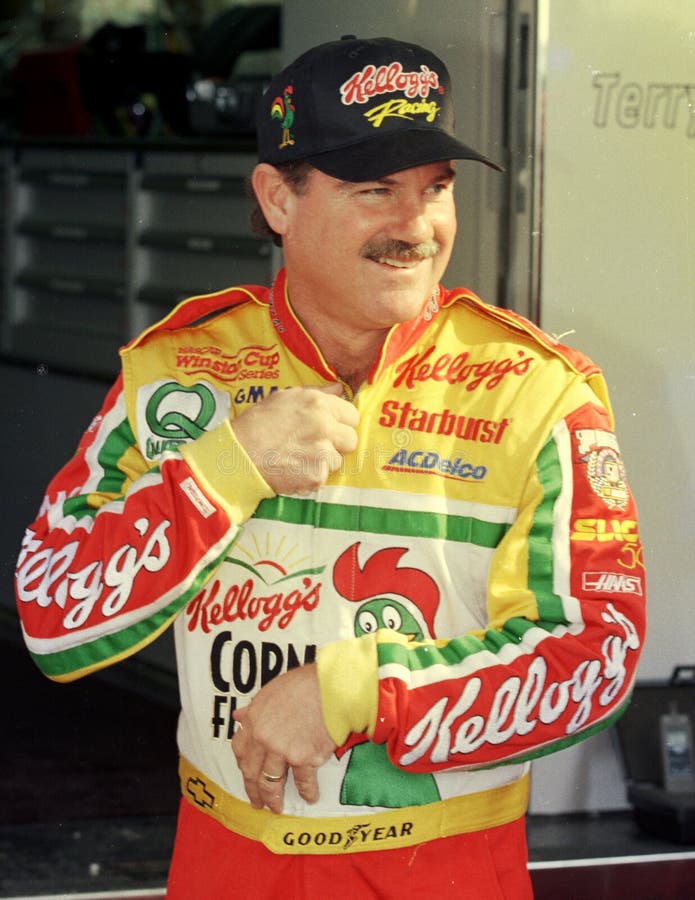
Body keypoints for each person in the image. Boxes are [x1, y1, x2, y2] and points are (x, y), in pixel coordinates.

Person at [15, 35, 646, 899]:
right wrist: (224, 471)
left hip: (441, 868)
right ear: (278, 198)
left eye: (435, 188)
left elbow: (594, 658)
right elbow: (54, 620)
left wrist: (358, 693)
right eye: (374, 190)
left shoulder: (535, 390)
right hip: (226, 858)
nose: (416, 227)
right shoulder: (179, 373)